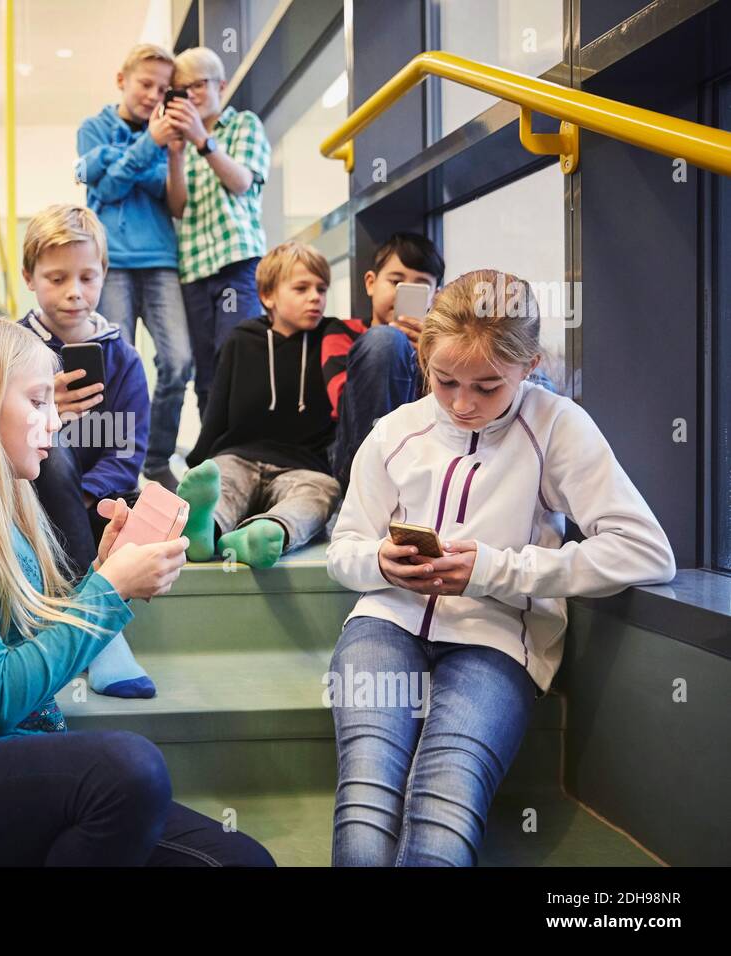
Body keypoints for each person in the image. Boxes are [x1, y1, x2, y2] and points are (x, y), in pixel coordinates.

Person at [0, 314, 274, 866]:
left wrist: (104, 573)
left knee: (244, 861)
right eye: (37, 402)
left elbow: (29, 641)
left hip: (10, 768)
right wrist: (107, 590)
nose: (55, 423)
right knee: (132, 770)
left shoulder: (4, 502)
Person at [325, 270, 676, 866]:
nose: (463, 404)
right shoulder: (394, 433)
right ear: (424, 358)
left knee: (442, 815)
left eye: (487, 386)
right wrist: (380, 562)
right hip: (385, 624)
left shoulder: (557, 426)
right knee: (364, 804)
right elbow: (343, 550)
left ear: (530, 363)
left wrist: (495, 570)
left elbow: (645, 550)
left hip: (496, 643)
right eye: (445, 381)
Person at [19, 203, 158, 698]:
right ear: (29, 278)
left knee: (150, 501)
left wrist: (81, 499)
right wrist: (40, 405)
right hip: (26, 505)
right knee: (49, 449)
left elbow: (127, 454)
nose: (74, 292)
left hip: (92, 508)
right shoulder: (11, 350)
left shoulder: (123, 360)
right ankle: (99, 633)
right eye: (56, 278)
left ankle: (86, 607)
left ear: (104, 275)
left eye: (87, 276)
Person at [176, 241, 343, 569]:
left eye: (321, 289)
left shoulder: (333, 336)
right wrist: (198, 463)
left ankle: (264, 533)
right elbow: (217, 408)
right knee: (223, 484)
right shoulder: (240, 339)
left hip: (304, 467)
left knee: (319, 495)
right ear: (268, 296)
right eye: (301, 288)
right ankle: (204, 529)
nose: (315, 297)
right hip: (239, 455)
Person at [76, 43, 193, 491]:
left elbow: (174, 202)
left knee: (179, 361)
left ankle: (156, 455)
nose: (153, 95)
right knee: (118, 363)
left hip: (162, 259)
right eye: (146, 83)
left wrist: (165, 155)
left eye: (163, 88)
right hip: (114, 263)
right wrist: (149, 148)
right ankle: (116, 462)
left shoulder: (166, 135)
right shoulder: (93, 129)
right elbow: (101, 191)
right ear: (121, 80)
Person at [164, 46, 271, 417]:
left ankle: (240, 447)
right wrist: (176, 156)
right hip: (193, 269)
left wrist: (202, 141)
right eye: (181, 89)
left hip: (236, 262)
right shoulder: (178, 141)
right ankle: (211, 458)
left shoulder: (243, 125)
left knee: (236, 356)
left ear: (221, 85)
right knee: (206, 370)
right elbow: (177, 207)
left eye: (197, 85)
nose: (190, 94)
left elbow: (242, 182)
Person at [321, 232, 446, 493]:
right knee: (385, 341)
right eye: (396, 281)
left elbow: (452, 405)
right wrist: (390, 346)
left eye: (420, 285)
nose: (403, 292)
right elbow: (345, 400)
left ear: (435, 295)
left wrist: (430, 355)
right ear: (370, 283)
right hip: (356, 455)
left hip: (423, 455)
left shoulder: (441, 345)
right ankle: (376, 485)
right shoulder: (342, 331)